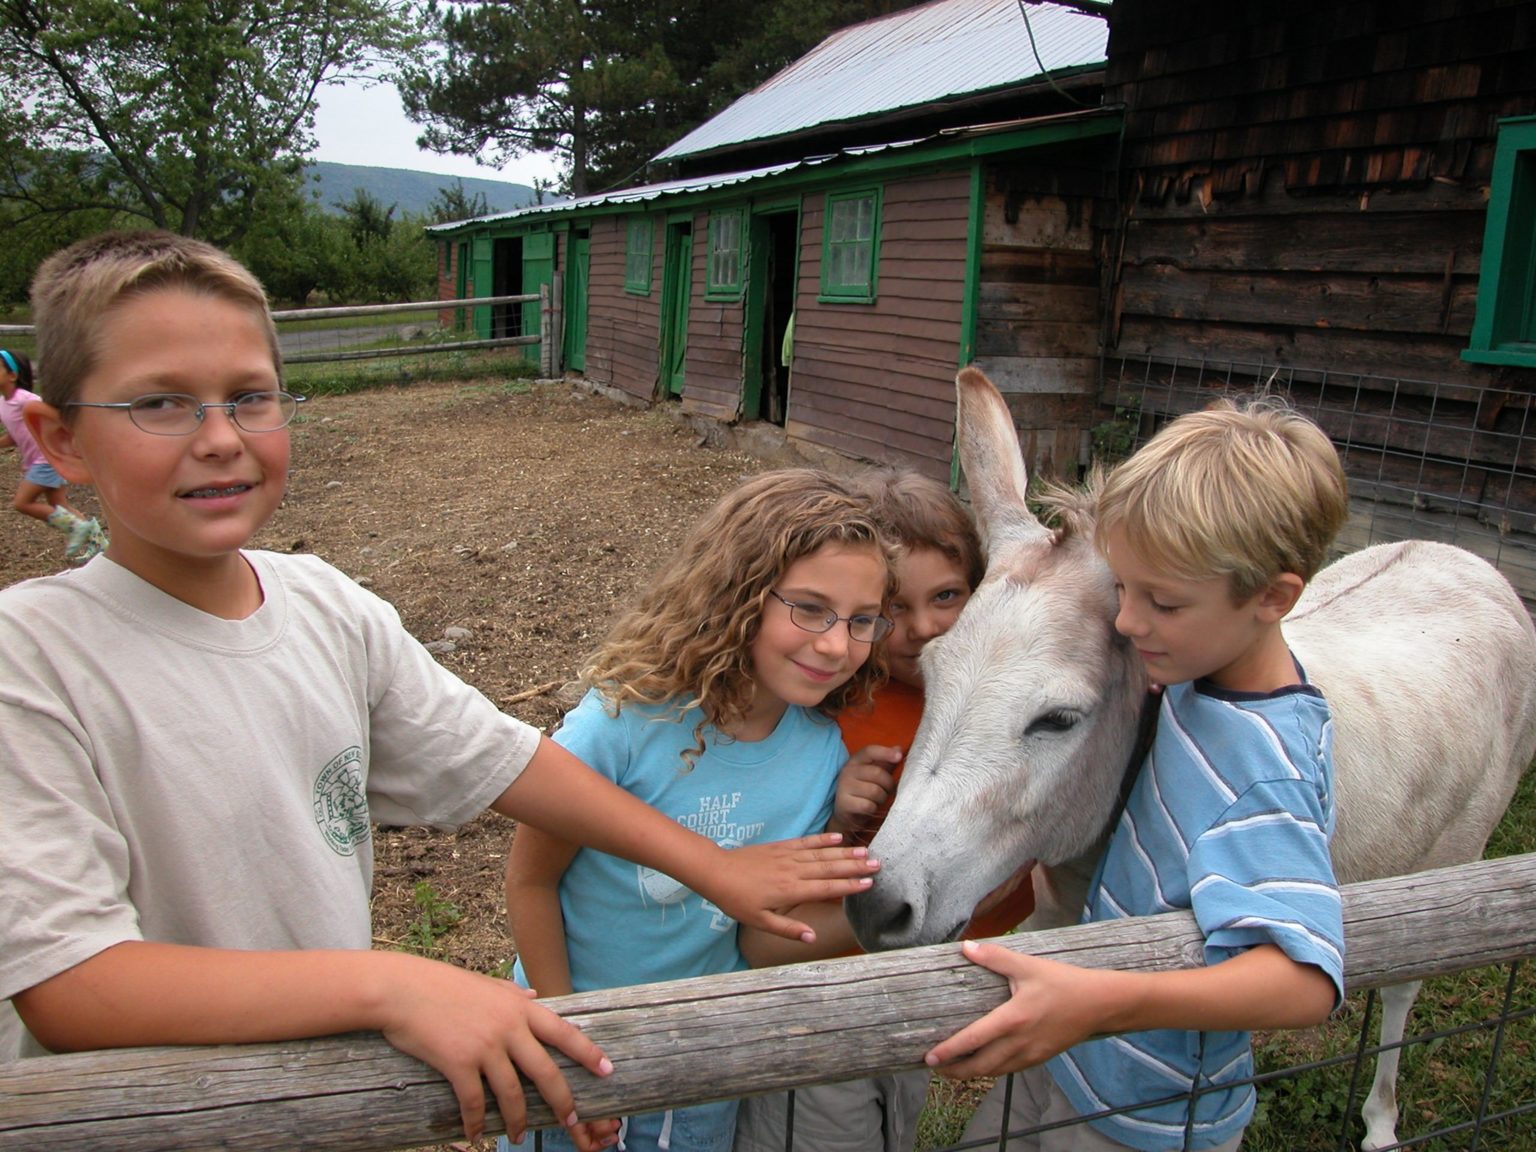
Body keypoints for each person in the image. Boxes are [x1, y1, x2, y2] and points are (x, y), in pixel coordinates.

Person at [0, 230, 882, 1149]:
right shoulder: (33, 657)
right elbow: (74, 987)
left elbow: (507, 762)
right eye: (161, 404)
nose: (221, 439)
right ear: (61, 442)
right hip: (130, 1124)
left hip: (327, 1108)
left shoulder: (324, 607)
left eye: (250, 397)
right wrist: (399, 984)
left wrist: (714, 870)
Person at [924, 397, 1351, 1152]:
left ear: (1273, 599)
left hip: (1146, 1119)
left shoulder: (1263, 769)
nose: (1126, 623)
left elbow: (1302, 983)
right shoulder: (1193, 670)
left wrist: (1102, 1003)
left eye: (1163, 601)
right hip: (1075, 1060)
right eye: (1125, 589)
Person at [500, 468, 898, 1152]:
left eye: (862, 621)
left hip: (706, 1065)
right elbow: (529, 881)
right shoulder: (618, 726)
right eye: (808, 608)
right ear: (738, 594)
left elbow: (768, 928)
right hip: (574, 1051)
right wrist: (564, 1032)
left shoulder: (820, 752)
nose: (837, 645)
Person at [731, 467, 1037, 1152]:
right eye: (892, 608)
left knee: (894, 1121)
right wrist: (839, 811)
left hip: (925, 989)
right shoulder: (826, 704)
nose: (923, 629)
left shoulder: (987, 701)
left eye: (948, 596)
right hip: (819, 999)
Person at [0, 347, 107, 562]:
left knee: (22, 503)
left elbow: (54, 417)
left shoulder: (26, 399)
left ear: (12, 375)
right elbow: (12, 437)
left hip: (45, 460)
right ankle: (99, 544)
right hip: (35, 461)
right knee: (60, 506)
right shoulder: (2, 403)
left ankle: (78, 528)